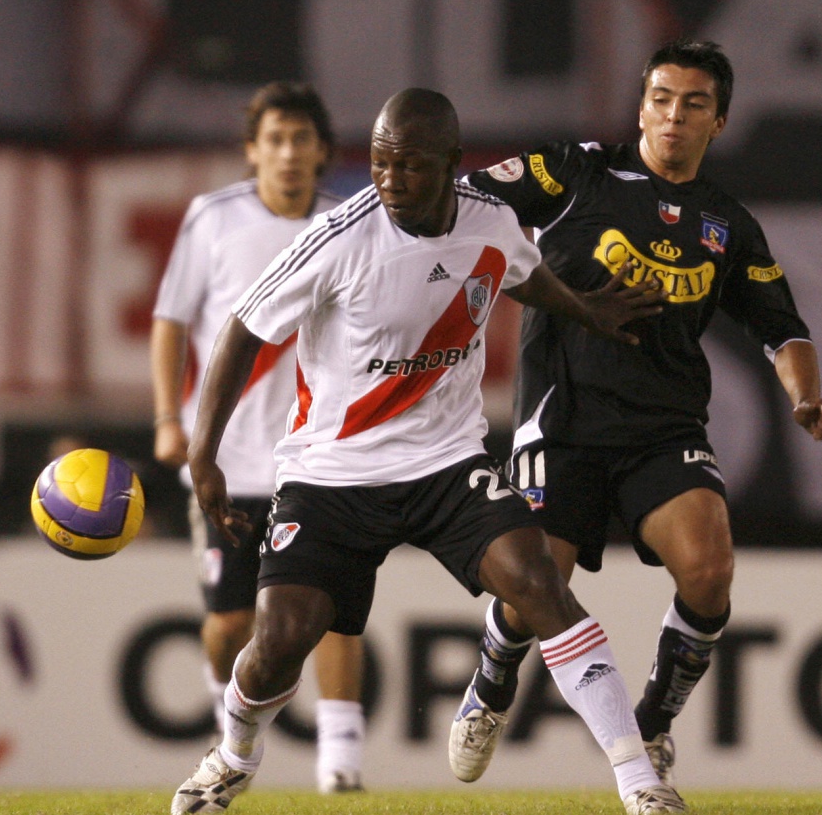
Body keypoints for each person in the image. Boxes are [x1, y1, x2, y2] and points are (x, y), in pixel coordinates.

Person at [171, 87, 683, 815]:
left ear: (450, 164)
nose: (388, 180)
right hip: (332, 473)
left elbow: (522, 272)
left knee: (539, 583)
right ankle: (234, 754)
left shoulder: (491, 221)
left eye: (408, 166)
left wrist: (586, 306)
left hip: (446, 463)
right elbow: (243, 329)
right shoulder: (340, 238)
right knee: (281, 637)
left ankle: (638, 779)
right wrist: (203, 450)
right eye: (379, 163)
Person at [449, 38, 822, 801]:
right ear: (641, 106)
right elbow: (465, 200)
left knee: (710, 566)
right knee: (539, 581)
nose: (673, 115)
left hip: (664, 428)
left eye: (694, 104)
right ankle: (494, 680)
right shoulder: (575, 172)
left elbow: (781, 327)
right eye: (661, 98)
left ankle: (653, 722)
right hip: (561, 421)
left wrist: (804, 395)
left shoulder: (726, 223)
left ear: (719, 121)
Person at [150, 81, 367, 794]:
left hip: (318, 458)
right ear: (252, 150)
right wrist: (169, 420)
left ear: (322, 151)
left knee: (333, 611)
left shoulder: (352, 223)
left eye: (302, 138)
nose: (289, 152)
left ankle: (341, 763)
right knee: (228, 624)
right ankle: (228, 733)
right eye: (274, 138)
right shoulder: (211, 219)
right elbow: (170, 319)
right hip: (226, 461)